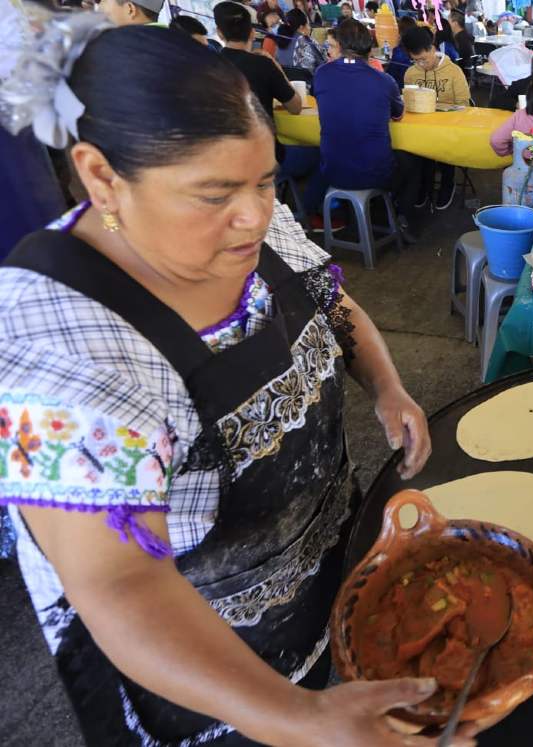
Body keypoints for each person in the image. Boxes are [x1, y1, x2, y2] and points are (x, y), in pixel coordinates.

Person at [0, 19, 447, 746]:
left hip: (323, 581)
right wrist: (297, 717)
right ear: (101, 175)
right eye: (214, 194)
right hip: (209, 678)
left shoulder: (253, 223)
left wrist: (386, 387)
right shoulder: (61, 353)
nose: (255, 215)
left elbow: (332, 301)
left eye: (267, 181)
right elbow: (120, 586)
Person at [311, 19, 422, 236]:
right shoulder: (384, 80)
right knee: (412, 162)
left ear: (339, 46)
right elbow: (398, 115)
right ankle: (401, 219)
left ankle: (363, 214)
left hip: (332, 170)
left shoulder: (322, 74)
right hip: (375, 173)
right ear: (370, 49)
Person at [215, 0, 301, 164]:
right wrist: (275, 65)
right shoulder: (263, 64)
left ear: (219, 33)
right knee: (317, 153)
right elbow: (295, 107)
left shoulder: (206, 66)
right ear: (253, 33)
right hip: (265, 157)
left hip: (224, 159)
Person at [402, 26, 470, 210]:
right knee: (416, 155)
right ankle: (423, 186)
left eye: (424, 59)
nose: (421, 64)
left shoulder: (453, 71)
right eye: (416, 61)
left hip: (447, 130)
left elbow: (464, 105)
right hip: (420, 130)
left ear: (433, 48)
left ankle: (447, 183)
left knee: (443, 151)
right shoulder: (411, 73)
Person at [275, 8, 328, 74]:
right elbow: (324, 59)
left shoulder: (280, 41)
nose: (309, 27)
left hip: (290, 81)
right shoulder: (305, 40)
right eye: (307, 24)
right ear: (301, 27)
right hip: (310, 81)